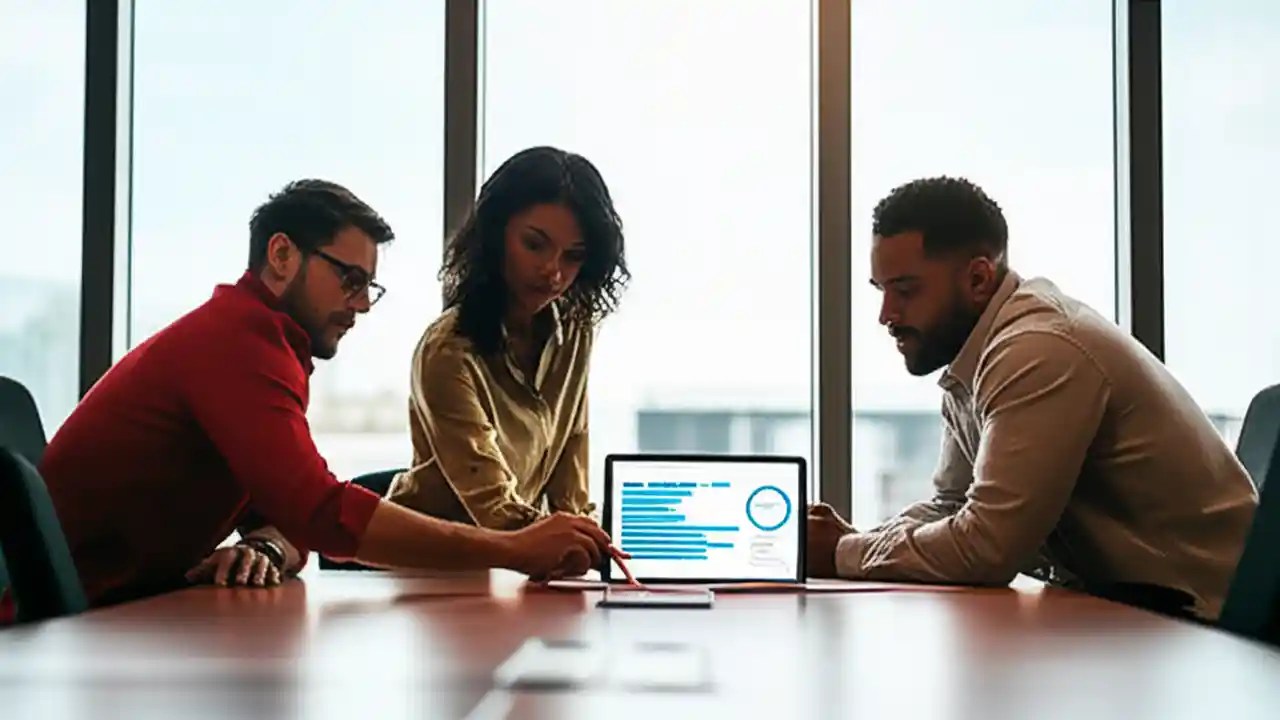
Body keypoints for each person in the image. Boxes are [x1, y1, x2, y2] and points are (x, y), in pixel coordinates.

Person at [27, 179, 611, 611]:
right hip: (52, 624)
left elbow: (289, 517)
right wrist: (513, 549)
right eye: (349, 280)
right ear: (282, 256)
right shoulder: (236, 344)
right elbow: (320, 511)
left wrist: (267, 547)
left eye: (368, 287)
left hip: (122, 610)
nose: (359, 303)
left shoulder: (268, 346)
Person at [806, 176, 1258, 620]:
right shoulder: (977, 356)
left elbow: (987, 547)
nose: (886, 315)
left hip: (1212, 624)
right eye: (881, 291)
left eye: (905, 290)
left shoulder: (1038, 350)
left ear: (979, 278)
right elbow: (950, 506)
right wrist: (858, 543)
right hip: (1135, 612)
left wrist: (844, 552)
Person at [384, 146, 629, 529]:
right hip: (428, 563)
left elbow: (571, 474)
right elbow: (494, 509)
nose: (553, 272)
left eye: (573, 256)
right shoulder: (447, 351)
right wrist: (575, 541)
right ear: (495, 236)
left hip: (513, 564)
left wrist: (592, 540)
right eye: (534, 245)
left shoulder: (576, 329)